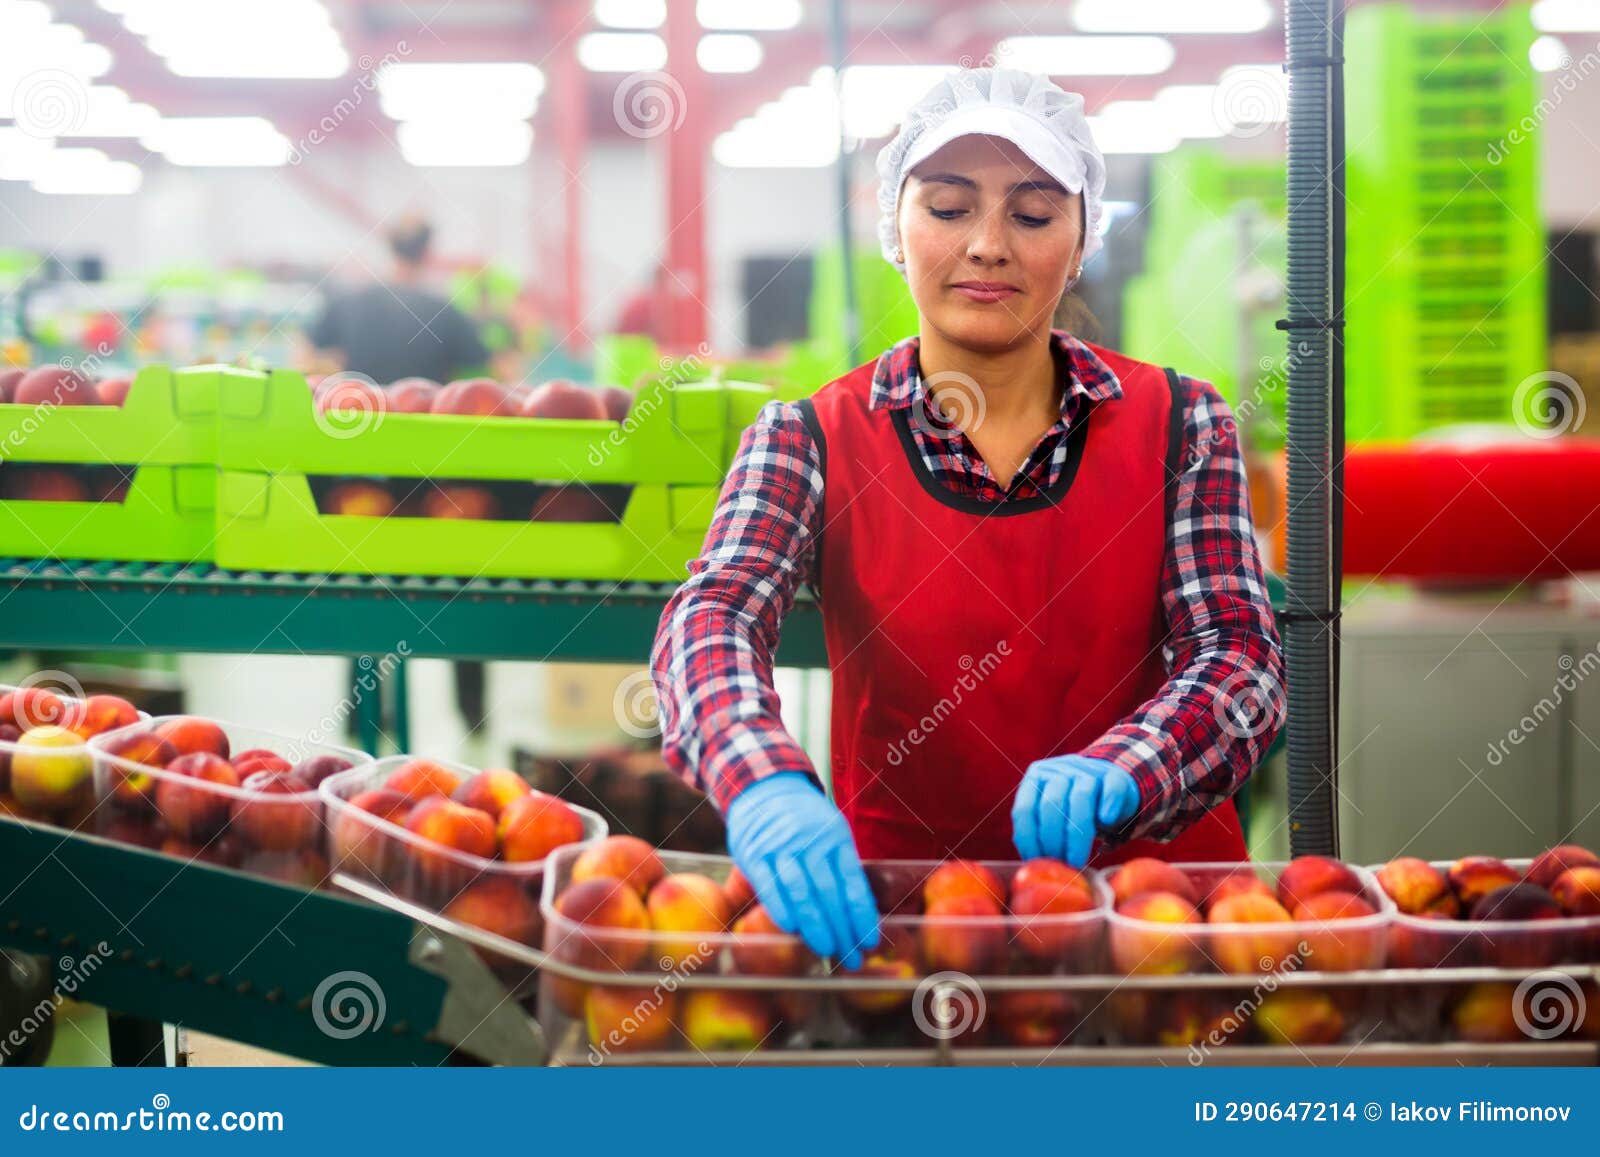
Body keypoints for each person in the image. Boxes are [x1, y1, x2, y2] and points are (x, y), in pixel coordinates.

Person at [650, 69, 1285, 969]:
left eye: (1032, 216)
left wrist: (1132, 766)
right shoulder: (810, 440)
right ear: (897, 232)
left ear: (1080, 239)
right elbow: (713, 615)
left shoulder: (1184, 425)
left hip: (1162, 927)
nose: (988, 245)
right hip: (912, 928)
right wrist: (762, 781)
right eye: (949, 208)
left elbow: (1241, 652)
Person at [304, 215, 488, 386]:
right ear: (427, 253)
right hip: (422, 417)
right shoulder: (447, 313)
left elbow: (306, 356)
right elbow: (485, 366)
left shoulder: (348, 303)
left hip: (360, 414)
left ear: (390, 248)